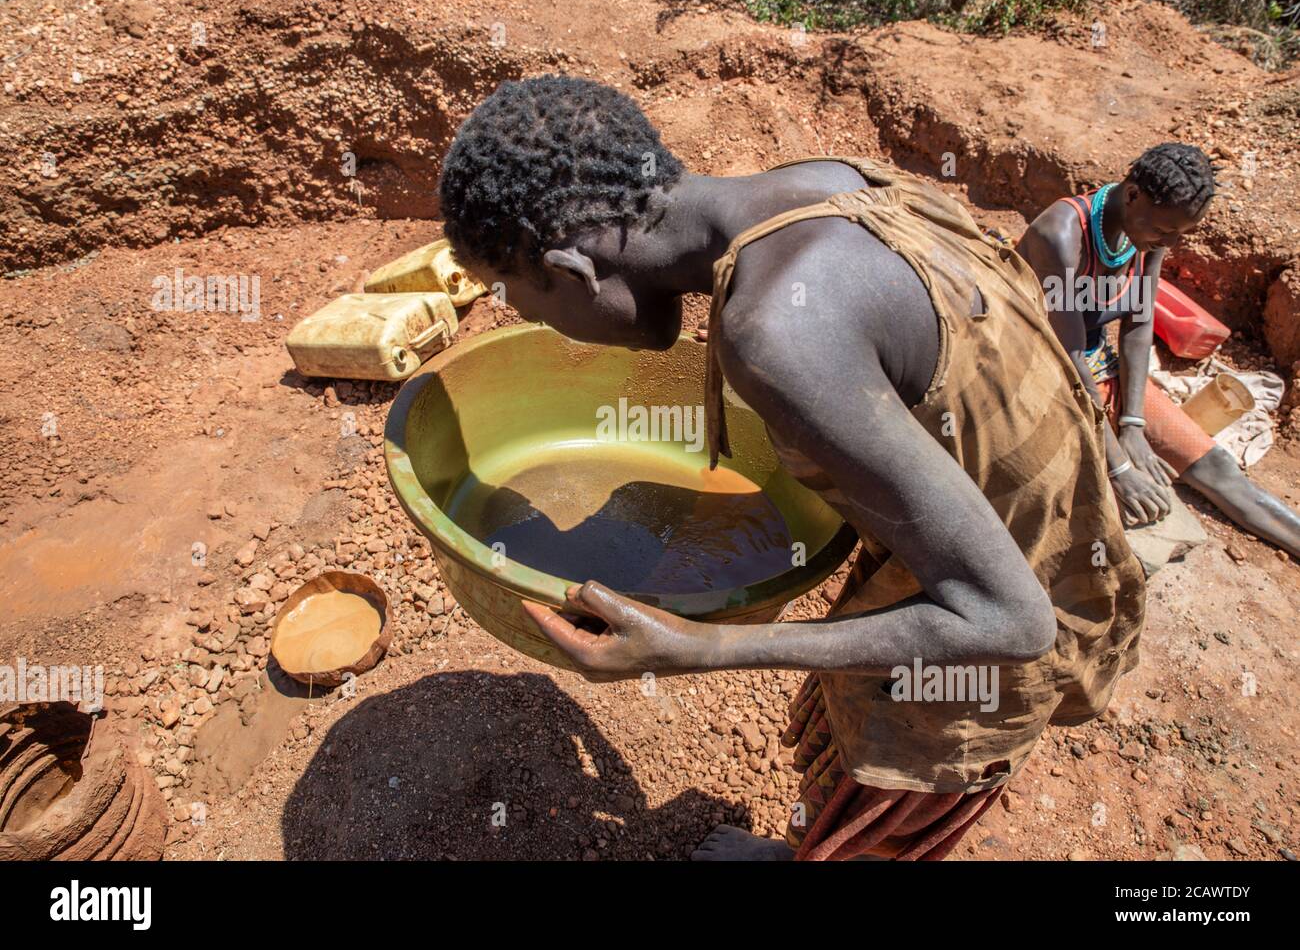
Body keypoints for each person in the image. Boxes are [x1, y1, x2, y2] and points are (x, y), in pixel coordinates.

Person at [438, 75, 1145, 860]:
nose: (551, 329)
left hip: (993, 639)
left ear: (573, 271)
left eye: (530, 307)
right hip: (1014, 529)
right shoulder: (827, 181)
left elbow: (1010, 622)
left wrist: (703, 650)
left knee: (877, 827)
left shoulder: (775, 334)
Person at [1017, 143, 1300, 558]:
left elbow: (1137, 323)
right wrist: (1120, 466)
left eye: (1179, 234)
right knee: (1090, 503)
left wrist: (1132, 424)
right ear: (1132, 195)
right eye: (1165, 232)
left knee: (1218, 471)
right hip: (1037, 370)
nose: (1170, 242)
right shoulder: (1060, 236)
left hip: (1092, 364)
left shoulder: (1148, 233)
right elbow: (1068, 360)